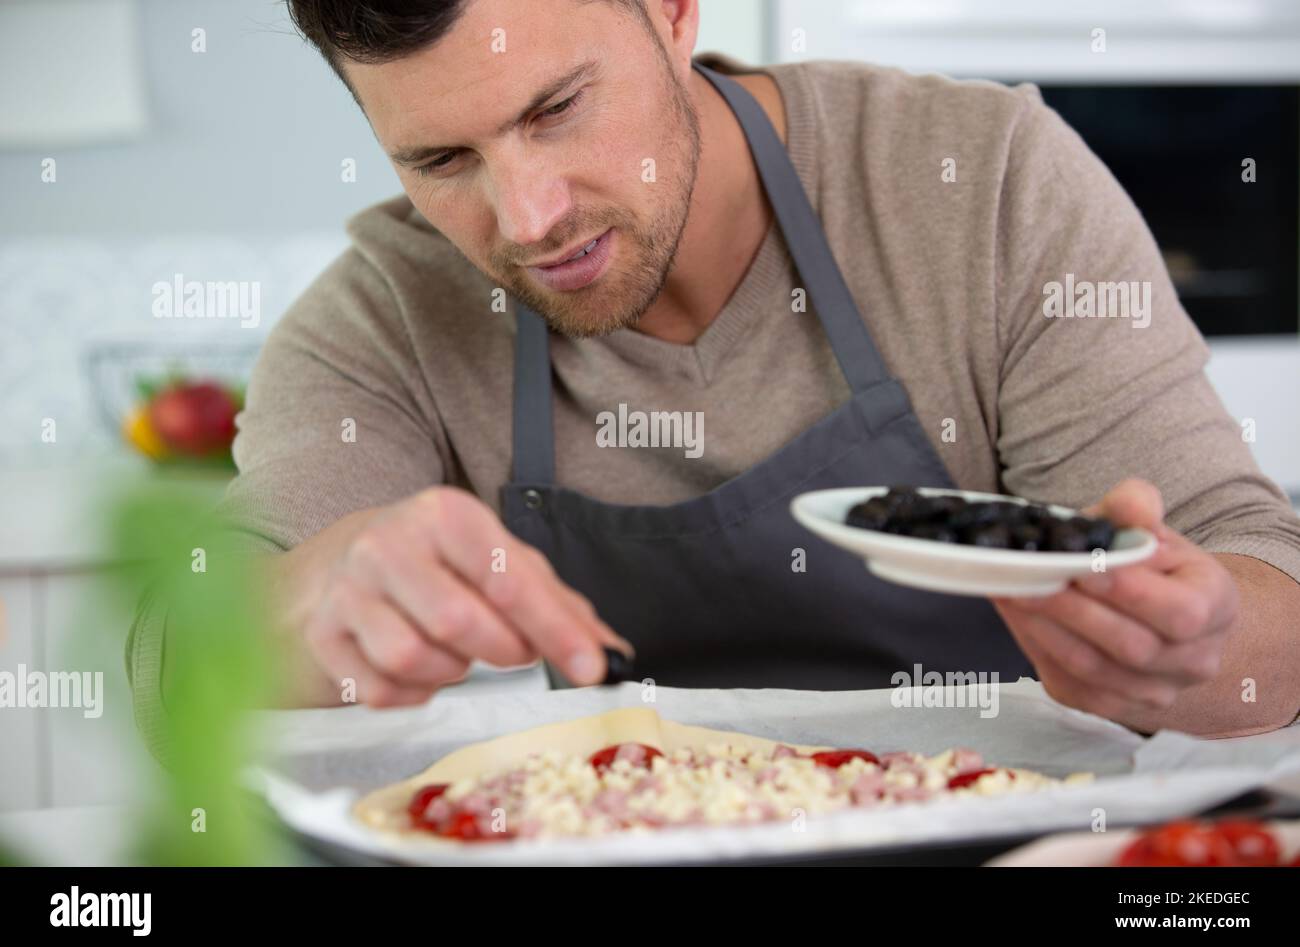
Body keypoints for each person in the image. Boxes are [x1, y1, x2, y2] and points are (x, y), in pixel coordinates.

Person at [127, 0, 1300, 743]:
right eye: (442, 158)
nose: (529, 217)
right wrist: (305, 605)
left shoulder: (982, 183)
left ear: (675, 12)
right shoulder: (394, 306)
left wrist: (1198, 640)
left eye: (558, 107)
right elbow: (171, 652)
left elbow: (1271, 599)